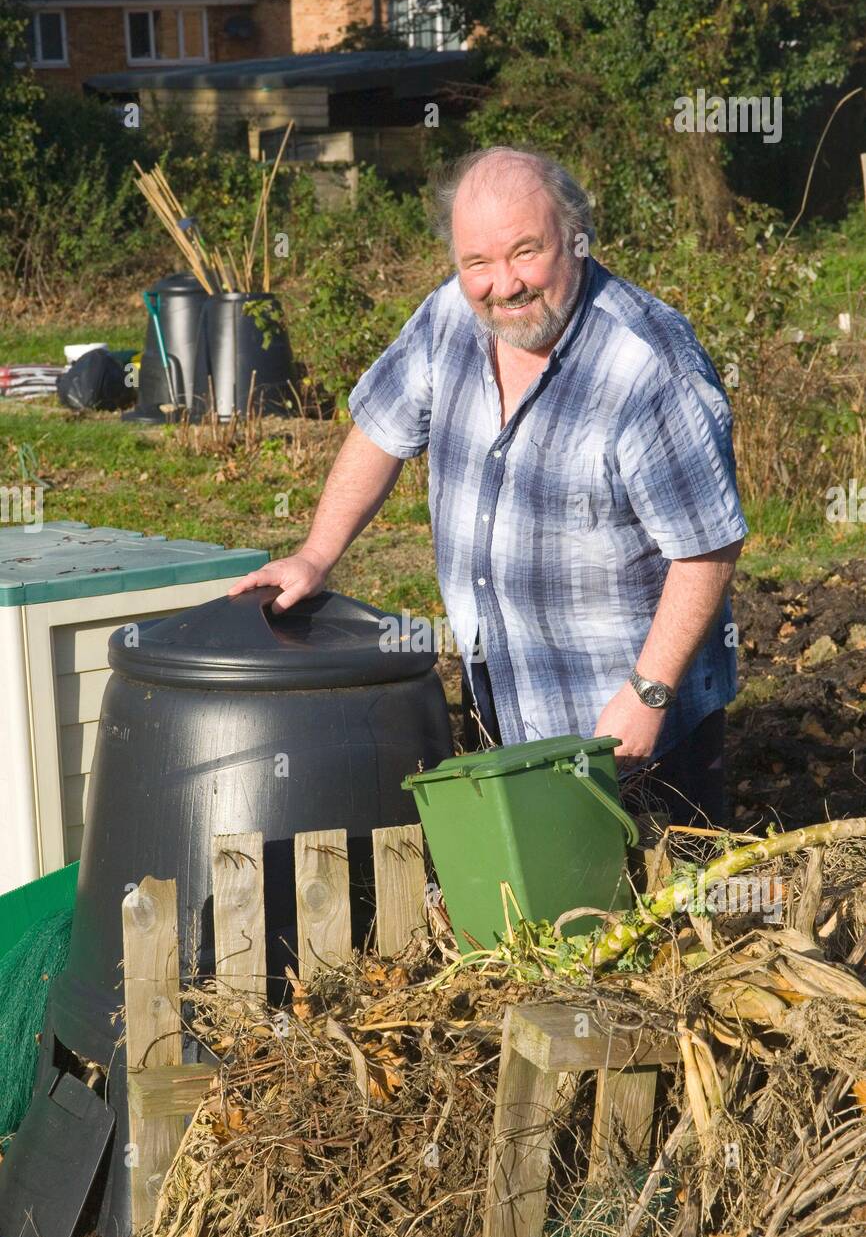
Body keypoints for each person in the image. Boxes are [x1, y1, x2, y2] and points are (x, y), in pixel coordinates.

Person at [230, 146, 748, 828]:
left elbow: (706, 549)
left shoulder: (647, 365)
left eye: (526, 252)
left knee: (658, 920)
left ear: (577, 238)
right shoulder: (449, 317)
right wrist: (316, 553)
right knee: (533, 914)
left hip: (626, 720)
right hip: (503, 687)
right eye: (477, 263)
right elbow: (381, 429)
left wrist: (647, 695)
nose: (503, 286)